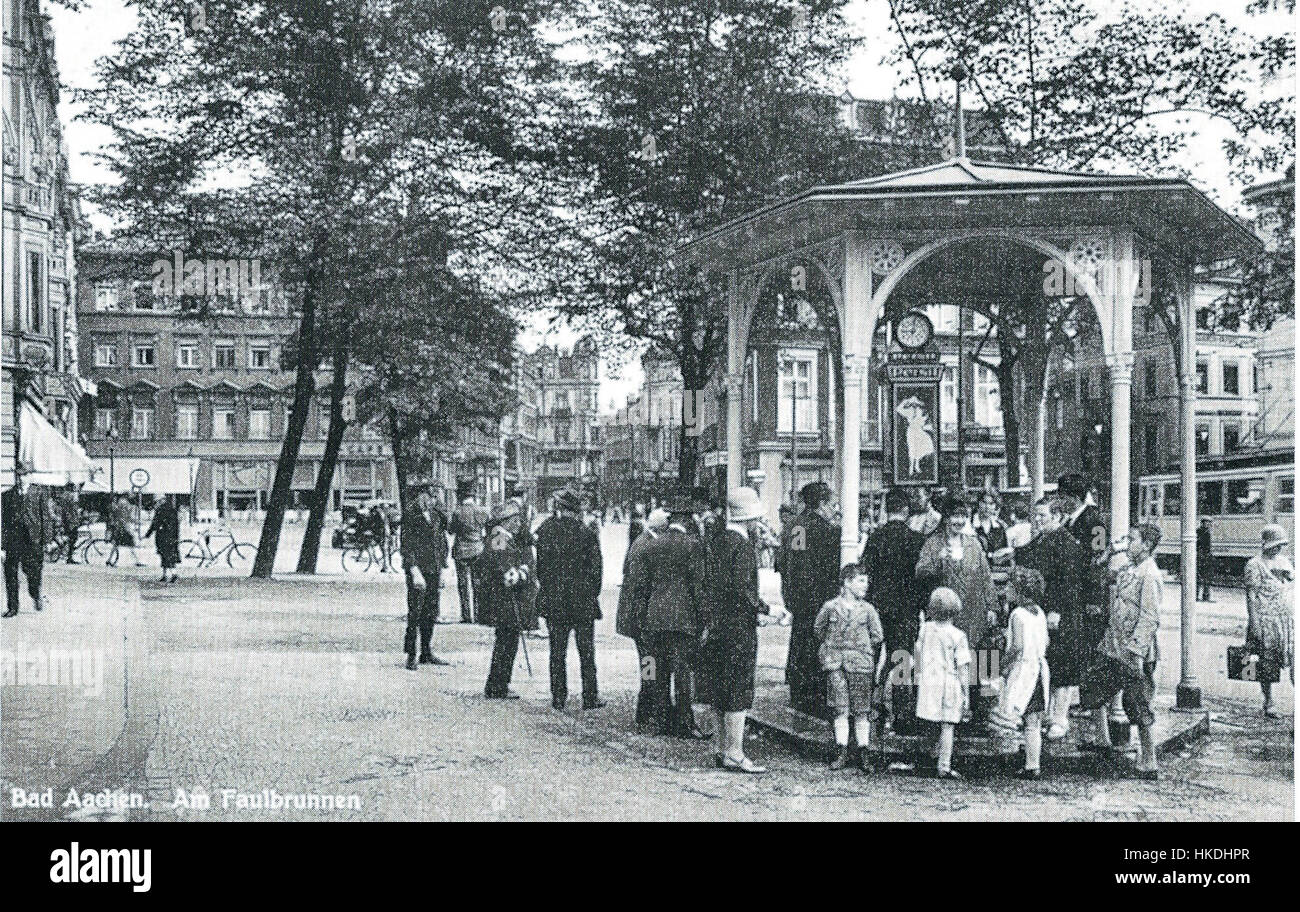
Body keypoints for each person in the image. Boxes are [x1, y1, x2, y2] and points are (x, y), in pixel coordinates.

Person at [700, 486, 788, 773]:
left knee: (719, 687)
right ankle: (735, 752)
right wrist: (766, 610)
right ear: (750, 518)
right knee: (738, 688)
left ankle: (720, 748)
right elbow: (741, 589)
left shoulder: (717, 540)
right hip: (738, 630)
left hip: (717, 625)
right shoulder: (743, 547)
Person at [1078, 524, 1165, 780]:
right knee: (1093, 686)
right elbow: (1100, 576)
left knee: (1137, 702)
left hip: (1133, 649)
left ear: (1146, 545)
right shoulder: (1130, 568)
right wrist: (1108, 553)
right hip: (1113, 644)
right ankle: (1102, 739)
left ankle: (1149, 760)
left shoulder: (1150, 574)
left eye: (1133, 539)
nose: (1128, 542)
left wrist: (1136, 652)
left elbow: (1150, 617)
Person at [1013, 497, 1088, 740]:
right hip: (1045, 610)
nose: (1037, 520)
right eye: (1036, 515)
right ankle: (1048, 715)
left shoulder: (1068, 545)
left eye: (1042, 516)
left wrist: (1057, 610)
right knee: (1049, 664)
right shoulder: (1043, 539)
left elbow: (1070, 583)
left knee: (1062, 668)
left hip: (1061, 614)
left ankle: (1060, 718)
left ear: (1057, 517)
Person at [640, 497, 709, 738]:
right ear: (688, 520)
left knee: (658, 671)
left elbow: (644, 584)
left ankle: (661, 721)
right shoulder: (692, 545)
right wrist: (704, 620)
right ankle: (685, 723)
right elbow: (698, 586)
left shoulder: (653, 545)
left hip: (655, 616)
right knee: (682, 672)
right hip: (682, 617)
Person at [535, 490, 604, 710]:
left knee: (557, 652)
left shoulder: (545, 530)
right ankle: (590, 696)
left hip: (554, 601)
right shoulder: (586, 533)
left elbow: (541, 568)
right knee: (587, 652)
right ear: (576, 510)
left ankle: (558, 696)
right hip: (582, 601)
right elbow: (596, 570)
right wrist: (591, 594)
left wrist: (548, 589)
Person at [814, 564, 884, 771]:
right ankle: (841, 751)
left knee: (862, 709)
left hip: (861, 665)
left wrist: (860, 649)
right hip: (835, 662)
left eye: (866, 581)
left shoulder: (868, 610)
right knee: (839, 707)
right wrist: (830, 651)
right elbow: (819, 630)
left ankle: (864, 753)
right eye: (861, 581)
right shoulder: (830, 607)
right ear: (847, 582)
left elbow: (877, 636)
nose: (865, 585)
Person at [779, 481, 841, 716]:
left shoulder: (795, 526)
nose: (834, 509)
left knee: (800, 642)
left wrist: (792, 594)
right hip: (819, 596)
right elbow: (803, 563)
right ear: (822, 504)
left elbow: (791, 563)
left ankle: (798, 691)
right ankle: (814, 695)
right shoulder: (826, 529)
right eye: (831, 504)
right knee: (816, 646)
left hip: (800, 597)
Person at [915, 493, 1000, 652]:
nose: (959, 521)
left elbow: (985, 576)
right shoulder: (933, 544)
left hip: (974, 610)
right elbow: (920, 573)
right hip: (945, 612)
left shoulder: (973, 544)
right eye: (955, 516)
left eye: (963, 517)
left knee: (971, 656)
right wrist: (938, 560)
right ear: (946, 518)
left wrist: (992, 607)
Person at [859, 488, 926, 691]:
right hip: (906, 611)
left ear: (887, 510)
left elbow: (865, 572)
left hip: (877, 609)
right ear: (906, 510)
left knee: (871, 657)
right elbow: (921, 578)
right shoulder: (916, 540)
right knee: (902, 661)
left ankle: (869, 701)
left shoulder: (875, 538)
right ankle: (901, 710)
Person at [988, 567, 1051, 780]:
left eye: (1009, 587)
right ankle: (1033, 764)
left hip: (1024, 671)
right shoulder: (1040, 613)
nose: (1006, 591)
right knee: (1033, 721)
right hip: (1040, 669)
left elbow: (1016, 647)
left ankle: (1010, 755)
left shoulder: (1017, 615)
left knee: (1012, 712)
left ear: (1018, 591)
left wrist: (1000, 667)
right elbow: (1045, 641)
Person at [616, 507, 670, 728]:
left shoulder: (642, 541)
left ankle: (647, 709)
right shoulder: (647, 545)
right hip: (641, 617)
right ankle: (648, 710)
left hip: (639, 615)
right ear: (662, 526)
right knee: (650, 663)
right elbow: (640, 585)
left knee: (650, 663)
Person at [479, 501, 538, 699]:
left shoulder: (503, 538)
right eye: (516, 520)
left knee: (507, 642)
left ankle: (499, 683)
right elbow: (507, 575)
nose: (519, 523)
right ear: (508, 521)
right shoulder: (500, 539)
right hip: (504, 600)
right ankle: (498, 685)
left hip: (504, 600)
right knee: (506, 643)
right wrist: (525, 571)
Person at [915, 587, 971, 779]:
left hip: (930, 681)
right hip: (949, 683)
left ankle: (929, 757)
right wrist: (966, 693)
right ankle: (944, 765)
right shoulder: (958, 636)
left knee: (931, 722)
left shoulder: (925, 629)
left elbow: (918, 655)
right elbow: (963, 666)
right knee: (948, 725)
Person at [399, 481, 451, 670]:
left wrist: (443, 569)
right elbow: (406, 544)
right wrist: (413, 570)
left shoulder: (437, 514)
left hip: (434, 569)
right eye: (431, 496)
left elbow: (441, 542)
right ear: (422, 494)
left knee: (431, 612)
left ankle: (426, 652)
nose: (433, 500)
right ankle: (411, 654)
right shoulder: (411, 513)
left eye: (436, 497)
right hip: (418, 570)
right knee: (415, 612)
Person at [1244, 524, 1294, 717]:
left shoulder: (1284, 561)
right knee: (1266, 663)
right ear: (1266, 545)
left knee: (1294, 660)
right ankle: (1269, 700)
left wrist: (1288, 577)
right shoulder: (1254, 564)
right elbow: (1251, 596)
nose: (1278, 549)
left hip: (1287, 620)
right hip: (1266, 621)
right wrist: (1254, 623)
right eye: (1275, 545)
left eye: (1280, 545)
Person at [3, 472, 52, 617]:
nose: (20, 478)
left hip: (32, 540)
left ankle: (35, 593)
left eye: (24, 475)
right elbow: (3, 523)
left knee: (33, 572)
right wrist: (1, 547)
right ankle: (12, 607)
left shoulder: (39, 493)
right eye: (18, 475)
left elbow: (46, 518)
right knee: (10, 573)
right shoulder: (6, 496)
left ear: (30, 476)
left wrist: (47, 541)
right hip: (13, 540)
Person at [450, 493, 488, 623]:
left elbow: (451, 530)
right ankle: (479, 614)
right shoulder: (482, 511)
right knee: (477, 582)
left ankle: (466, 615)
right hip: (478, 549)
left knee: (463, 584)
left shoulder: (457, 512)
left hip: (461, 550)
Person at [145, 495, 181, 583]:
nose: (156, 504)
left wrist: (148, 534)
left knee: (164, 556)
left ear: (161, 501)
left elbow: (155, 524)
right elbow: (176, 525)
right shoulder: (173, 510)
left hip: (163, 537)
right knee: (170, 555)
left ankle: (172, 575)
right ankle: (168, 575)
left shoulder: (160, 510)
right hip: (172, 537)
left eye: (156, 502)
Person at [109, 493, 145, 567]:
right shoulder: (124, 503)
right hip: (123, 527)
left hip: (120, 527)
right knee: (130, 544)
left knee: (117, 544)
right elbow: (126, 517)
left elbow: (125, 516)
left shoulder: (122, 502)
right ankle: (137, 561)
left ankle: (109, 560)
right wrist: (136, 521)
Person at [55, 484, 81, 563]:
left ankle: (66, 552)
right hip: (71, 521)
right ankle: (69, 557)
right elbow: (72, 510)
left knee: (70, 538)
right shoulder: (70, 496)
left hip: (66, 520)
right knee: (73, 538)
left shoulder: (64, 496)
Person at [1196, 518, 1214, 602]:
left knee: (1205, 578)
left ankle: (1204, 596)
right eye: (1207, 523)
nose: (1209, 525)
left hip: (1205, 557)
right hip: (1201, 557)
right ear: (1203, 523)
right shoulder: (1200, 532)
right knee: (1200, 578)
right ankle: (1200, 596)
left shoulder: (1206, 532)